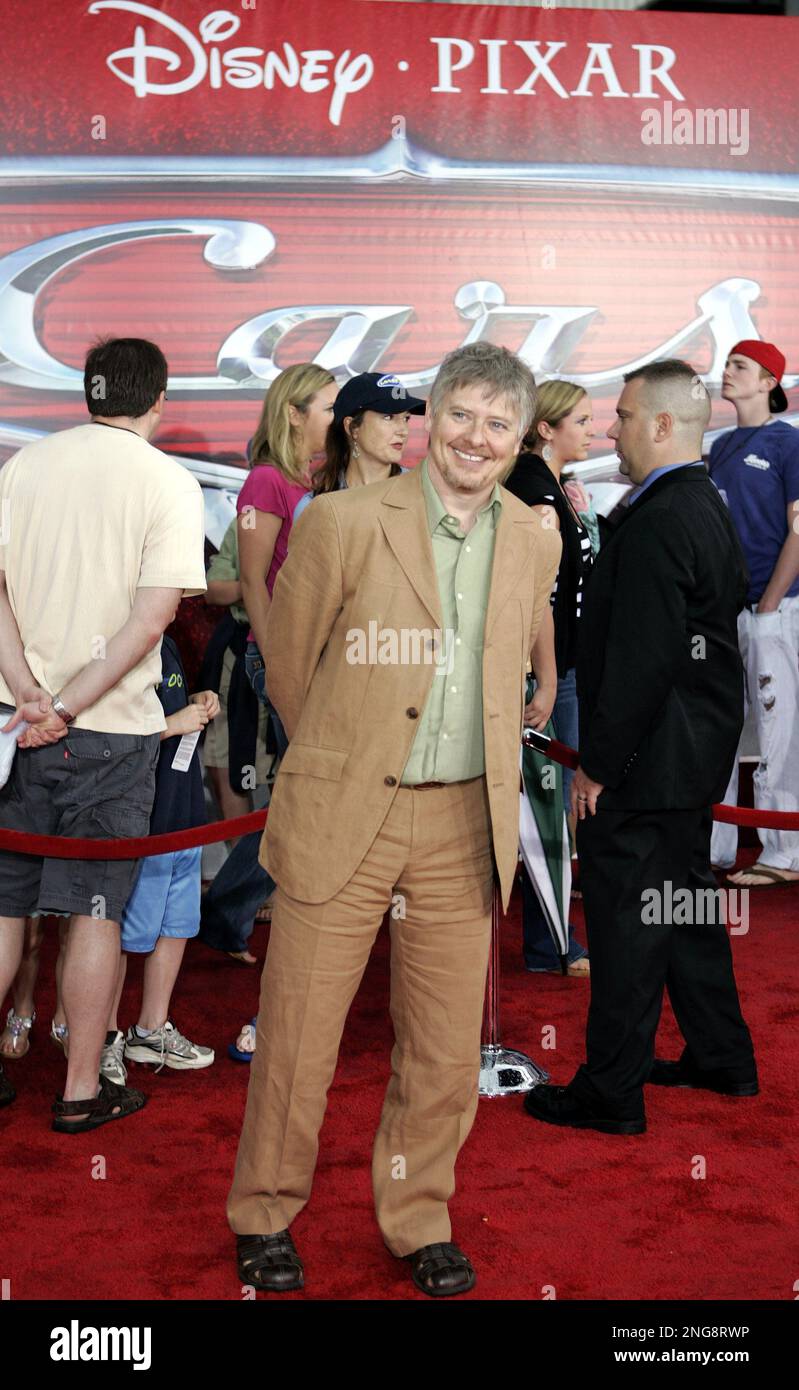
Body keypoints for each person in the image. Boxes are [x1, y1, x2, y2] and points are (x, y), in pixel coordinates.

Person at [227, 342, 561, 1298]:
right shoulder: (339, 520)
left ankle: (416, 1219)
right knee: (297, 1037)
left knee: (446, 1051)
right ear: (429, 418)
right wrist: (345, 751)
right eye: (462, 415)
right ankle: (264, 1213)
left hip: (465, 826)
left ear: (516, 438)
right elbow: (286, 668)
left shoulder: (533, 537)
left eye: (499, 425)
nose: (476, 438)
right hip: (347, 814)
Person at [524, 360, 758, 1138]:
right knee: (684, 907)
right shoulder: (698, 500)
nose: (611, 428)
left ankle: (610, 1091)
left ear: (660, 425)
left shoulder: (661, 516)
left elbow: (642, 662)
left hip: (652, 763)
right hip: (687, 759)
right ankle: (721, 1057)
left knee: (629, 923)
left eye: (621, 415)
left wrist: (597, 765)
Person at [0, 337, 206, 1128]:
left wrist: (31, 697)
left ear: (86, 395)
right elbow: (152, 617)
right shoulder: (167, 481)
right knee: (95, 911)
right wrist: (71, 705)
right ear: (159, 401)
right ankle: (80, 1092)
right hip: (110, 734)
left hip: (18, 727)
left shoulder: (23, 468)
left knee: (7, 906)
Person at [230, 371, 426, 1055]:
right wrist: (311, 727)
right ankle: (279, 1018)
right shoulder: (317, 513)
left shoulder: (426, 508)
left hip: (408, 717)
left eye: (409, 416)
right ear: (351, 426)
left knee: (407, 876)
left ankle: (413, 1025)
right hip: (332, 716)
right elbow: (291, 635)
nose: (403, 427)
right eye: (387, 415)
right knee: (314, 863)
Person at [198, 365, 338, 962]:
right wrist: (278, 658)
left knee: (299, 798)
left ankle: (227, 913)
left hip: (314, 657)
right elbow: (251, 582)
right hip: (280, 658)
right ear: (294, 412)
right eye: (330, 407)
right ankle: (229, 911)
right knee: (302, 797)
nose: (340, 418)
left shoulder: (310, 481)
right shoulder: (264, 482)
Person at [506, 381, 595, 975]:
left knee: (554, 805)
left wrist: (583, 517)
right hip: (547, 674)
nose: (594, 430)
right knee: (545, 806)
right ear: (547, 428)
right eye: (583, 421)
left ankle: (552, 938)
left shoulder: (556, 489)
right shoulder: (535, 489)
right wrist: (547, 676)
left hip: (563, 670)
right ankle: (548, 943)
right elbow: (537, 591)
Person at [100, 635, 219, 1083]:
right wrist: (174, 723)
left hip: (185, 811)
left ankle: (150, 1031)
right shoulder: (120, 641)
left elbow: (164, 701)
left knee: (179, 924)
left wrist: (196, 703)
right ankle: (104, 1039)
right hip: (144, 819)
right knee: (122, 934)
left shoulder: (166, 643)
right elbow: (108, 731)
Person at [707, 340, 799, 888]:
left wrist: (769, 603)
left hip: (777, 609)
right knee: (722, 726)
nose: (728, 372)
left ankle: (783, 854)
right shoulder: (719, 446)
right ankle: (716, 848)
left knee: (778, 727)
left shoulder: (788, 444)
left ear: (768, 381)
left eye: (740, 366)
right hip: (729, 612)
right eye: (727, 364)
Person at [294, 370, 425, 522]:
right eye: (388, 417)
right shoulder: (313, 508)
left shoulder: (422, 493)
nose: (403, 431)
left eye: (406, 418)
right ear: (352, 427)